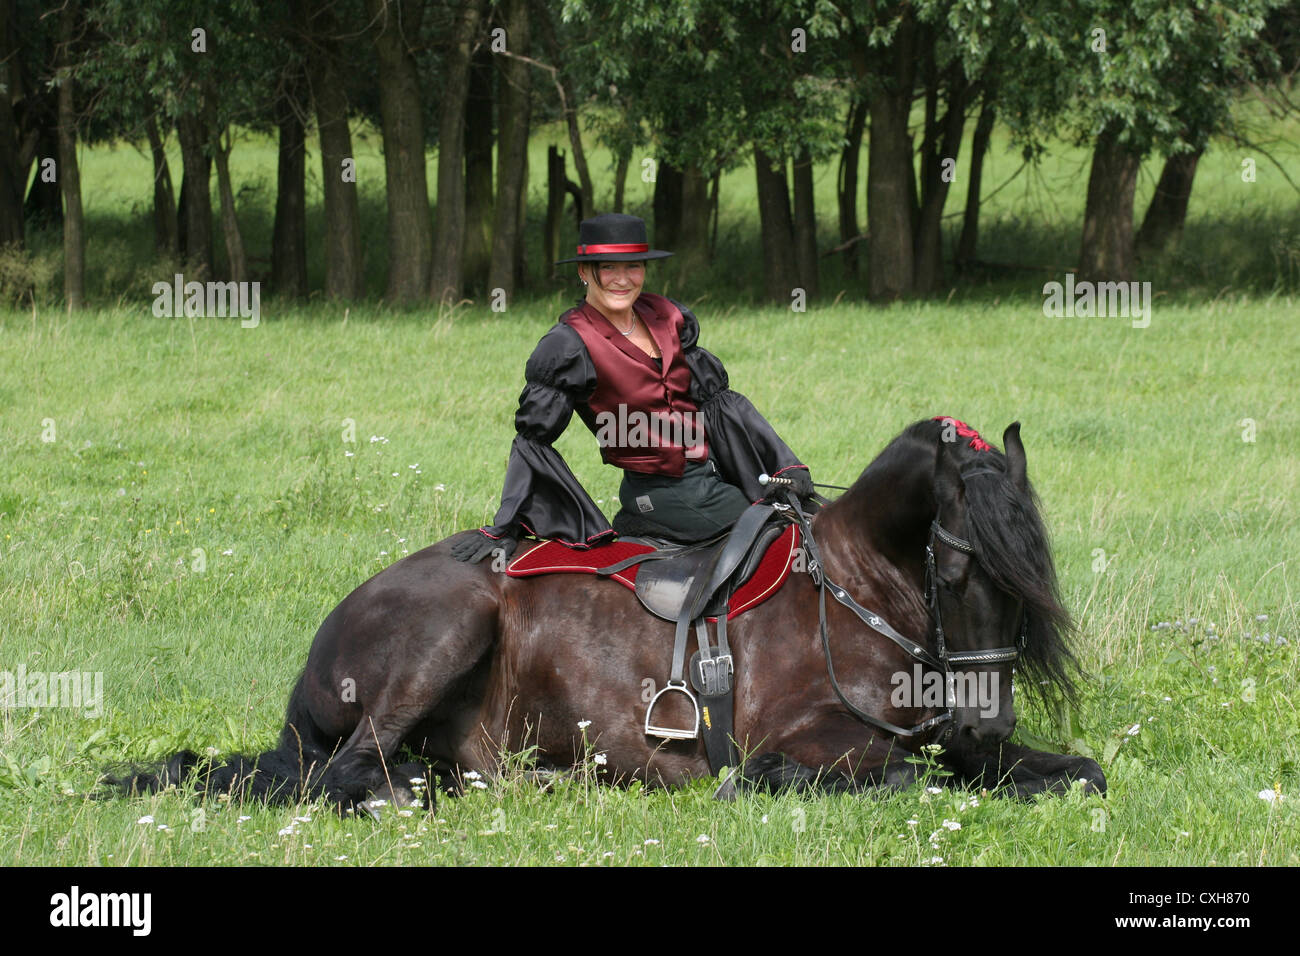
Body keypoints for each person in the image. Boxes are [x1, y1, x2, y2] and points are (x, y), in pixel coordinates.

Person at [452, 213, 814, 563]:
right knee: (783, 534)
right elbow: (534, 438)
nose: (621, 279)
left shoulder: (666, 316)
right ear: (584, 271)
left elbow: (717, 400)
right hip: (661, 492)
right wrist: (508, 521)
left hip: (714, 474)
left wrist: (783, 465)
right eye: (608, 267)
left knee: (812, 516)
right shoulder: (569, 344)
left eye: (633, 266)